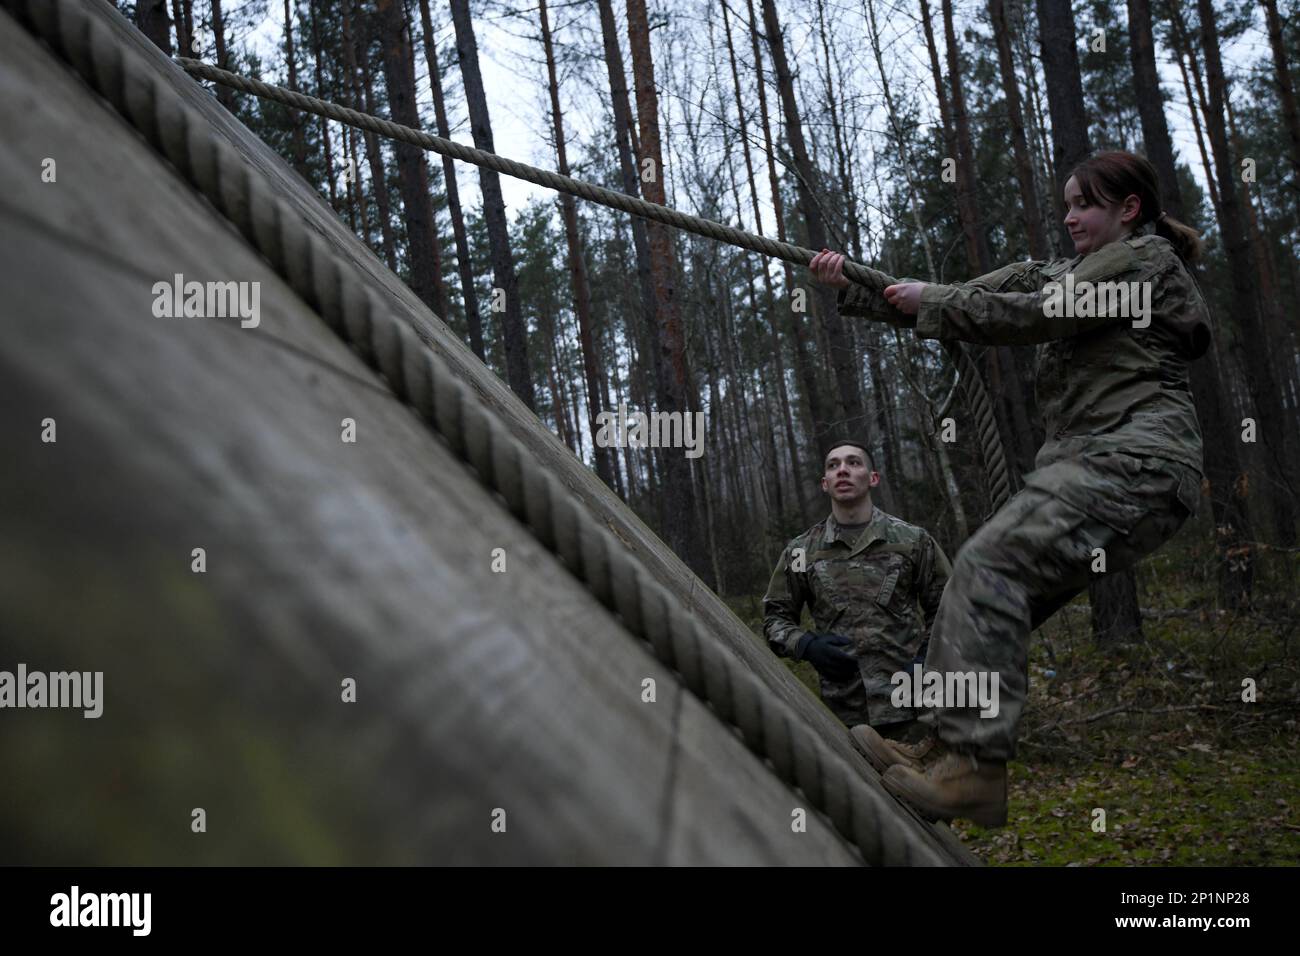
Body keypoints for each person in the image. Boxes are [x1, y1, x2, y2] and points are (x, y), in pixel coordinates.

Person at [808, 151, 1210, 828]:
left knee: (988, 567)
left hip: (1136, 460)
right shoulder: (1062, 268)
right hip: (1096, 465)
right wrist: (856, 284)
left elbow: (1037, 314)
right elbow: (969, 297)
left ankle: (973, 771)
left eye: (1083, 203)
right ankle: (939, 742)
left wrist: (935, 302)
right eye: (1066, 204)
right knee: (986, 597)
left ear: (1128, 209)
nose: (1069, 216)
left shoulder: (1145, 264)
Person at [763, 438, 951, 742]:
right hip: (842, 718)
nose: (843, 471)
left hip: (914, 710)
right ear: (825, 484)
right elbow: (775, 619)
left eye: (853, 463)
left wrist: (929, 659)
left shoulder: (912, 540)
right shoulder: (802, 551)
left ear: (872, 477)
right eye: (833, 465)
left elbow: (949, 609)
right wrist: (807, 646)